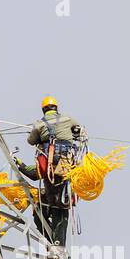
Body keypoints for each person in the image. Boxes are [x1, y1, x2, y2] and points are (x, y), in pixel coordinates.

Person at [13, 96, 86, 245]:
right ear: (56, 108)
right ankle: (57, 244)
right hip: (66, 168)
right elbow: (80, 130)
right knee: (61, 206)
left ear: (43, 109)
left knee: (47, 207)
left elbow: (31, 141)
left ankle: (53, 242)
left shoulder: (40, 124)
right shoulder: (68, 118)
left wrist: (21, 166)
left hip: (52, 170)